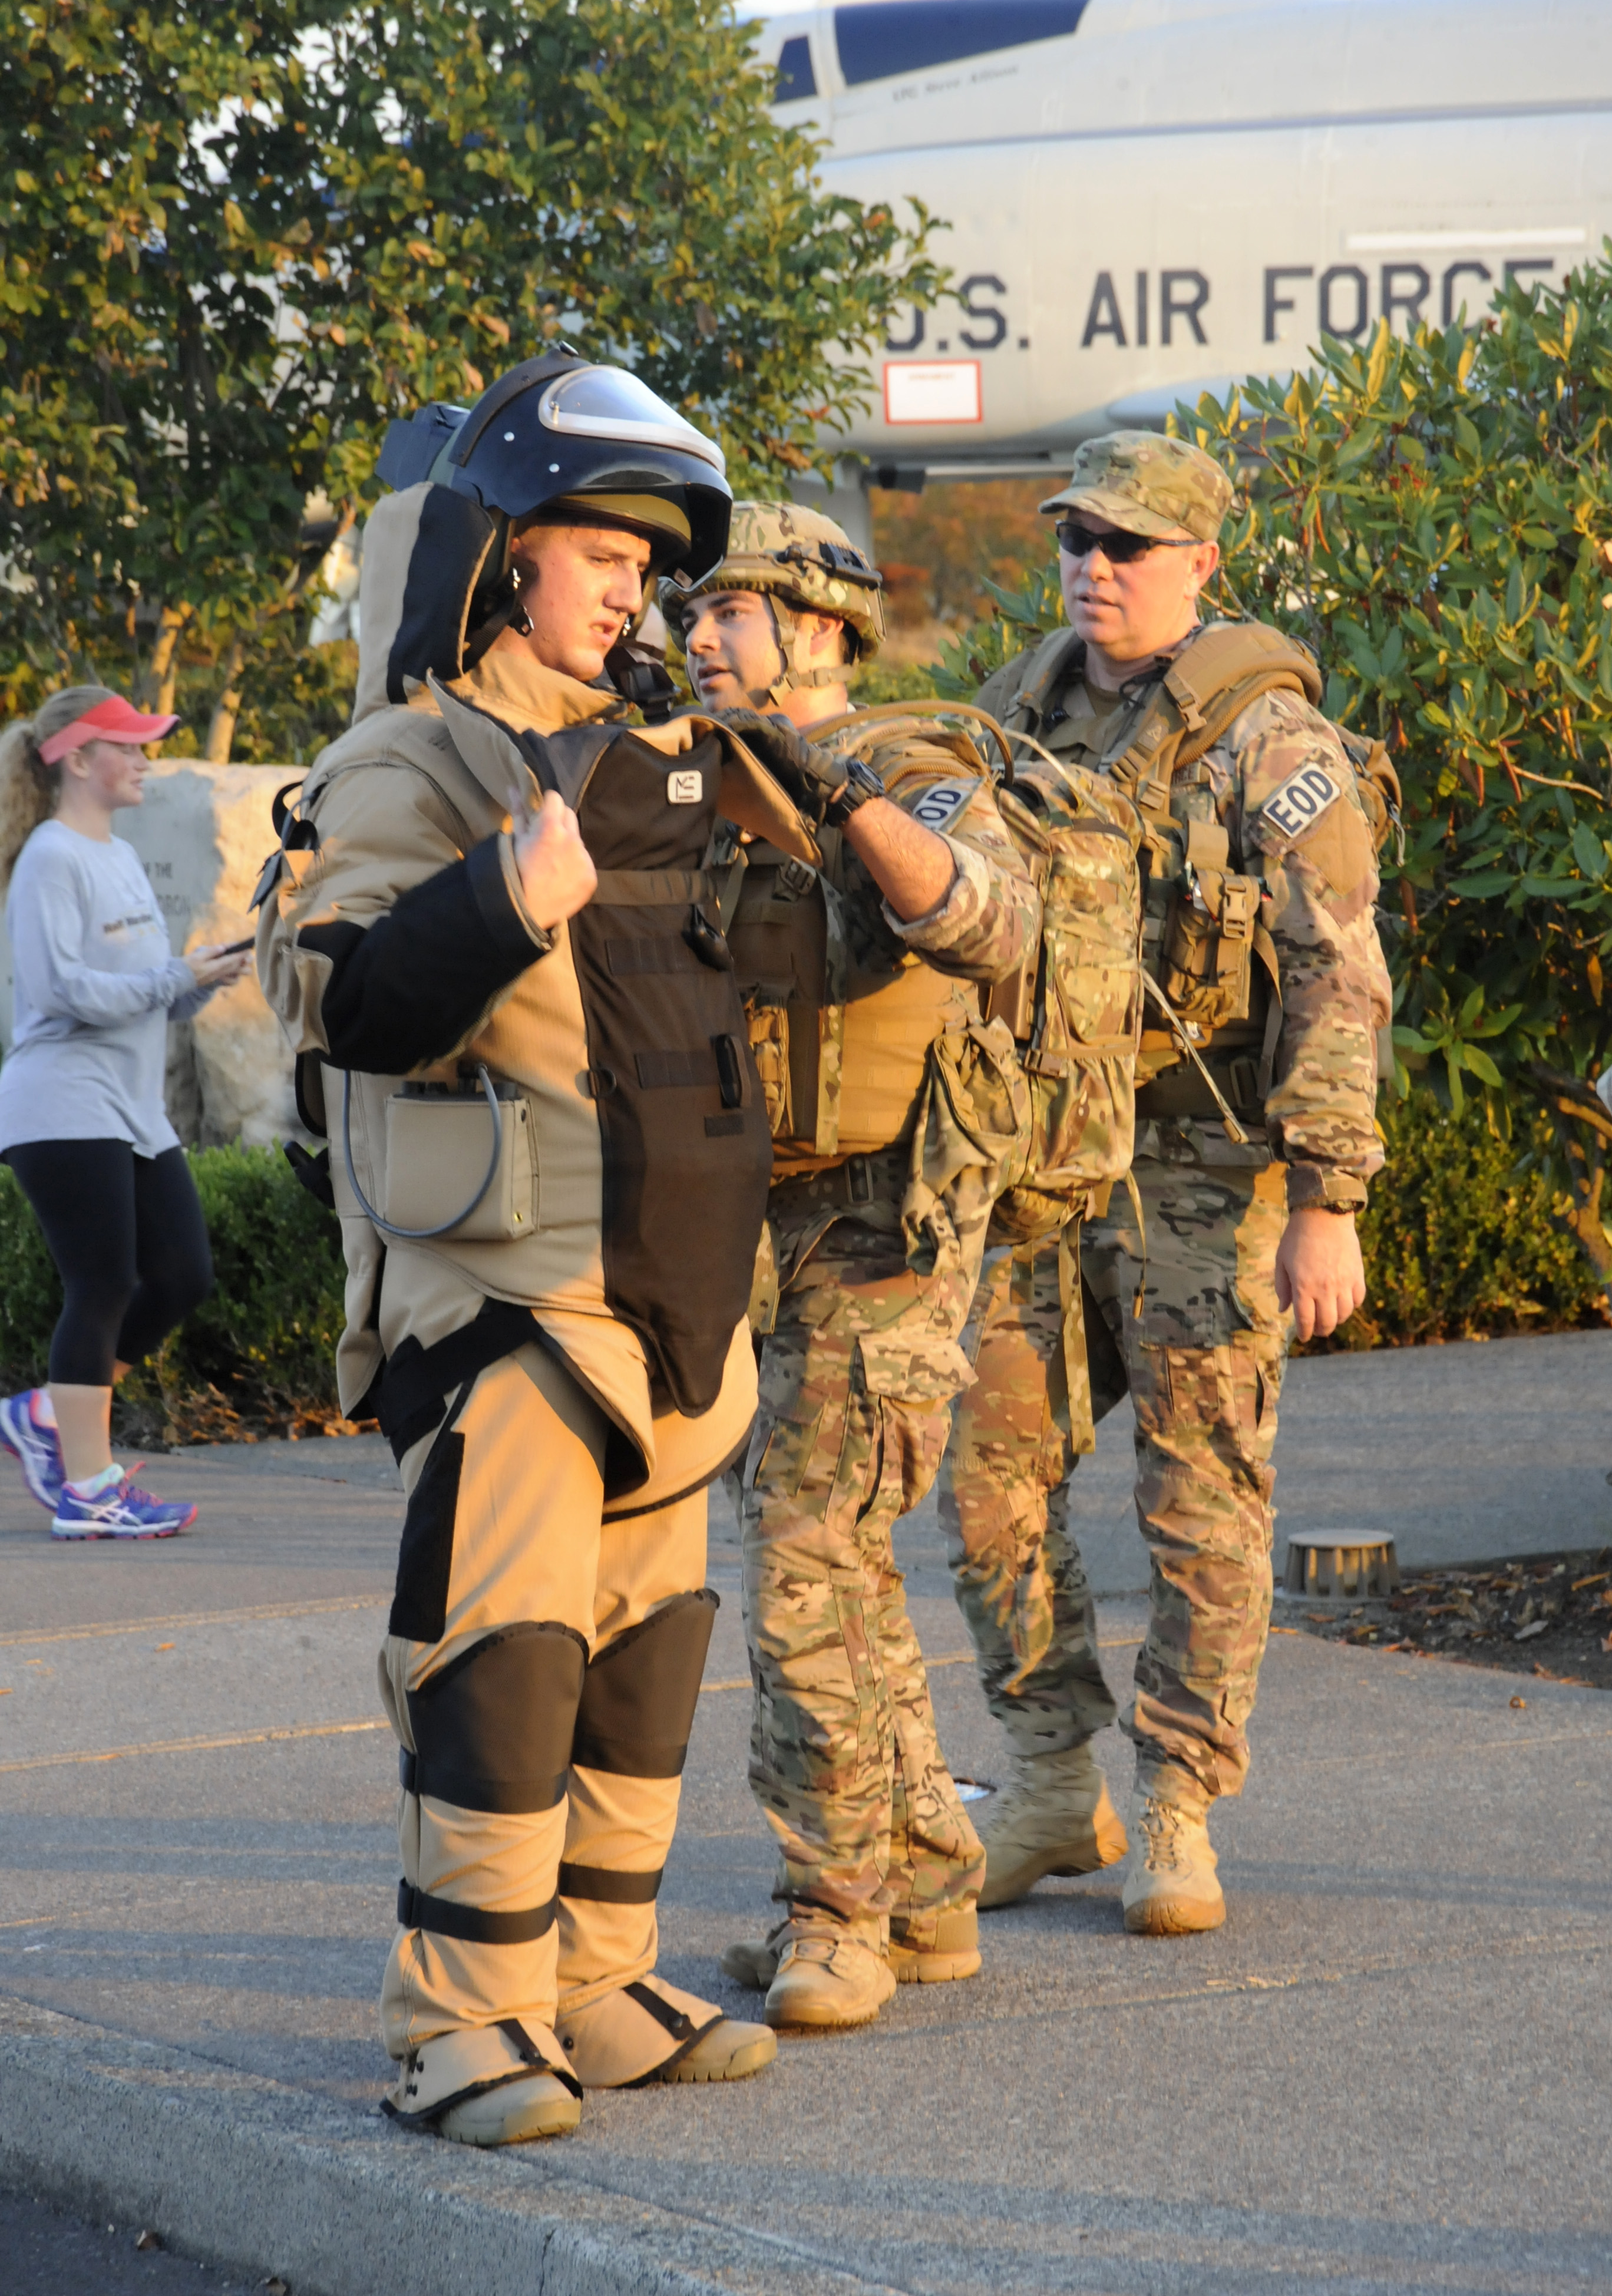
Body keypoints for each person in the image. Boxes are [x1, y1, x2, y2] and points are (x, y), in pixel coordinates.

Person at [257, 354, 824, 2147]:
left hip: (676, 1300)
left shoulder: (661, 760)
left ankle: (594, 1982)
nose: (631, 592)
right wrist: (507, 889)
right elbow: (340, 997)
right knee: (497, 1660)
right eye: (600, 553)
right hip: (509, 1298)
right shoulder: (408, 760)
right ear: (502, 557)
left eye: (646, 564)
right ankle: (459, 2023)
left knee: (642, 1661)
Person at [943, 432, 1393, 1935]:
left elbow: (1338, 970)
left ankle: (1180, 1803)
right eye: (1078, 538)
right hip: (1038, 1157)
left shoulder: (1270, 739)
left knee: (1201, 1501)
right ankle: (1049, 1778)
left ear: (1202, 562)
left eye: (1128, 544)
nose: (1095, 566)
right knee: (985, 1470)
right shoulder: (1014, 712)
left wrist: (1326, 1198)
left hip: (1205, 1165)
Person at [662, 501, 1040, 2031]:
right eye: (692, 613)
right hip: (760, 1224)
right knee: (843, 1560)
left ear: (822, 628)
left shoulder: (915, 762)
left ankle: (838, 1913)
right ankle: (928, 1880)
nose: (698, 635)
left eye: (731, 610)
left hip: (892, 1228)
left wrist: (842, 793)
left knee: (802, 1560)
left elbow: (990, 923)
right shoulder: (700, 774)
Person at [0, 686, 249, 1538]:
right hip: (63, 1103)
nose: (145, 760)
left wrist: (200, 979)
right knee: (102, 1283)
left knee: (182, 1275)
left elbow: (144, 995)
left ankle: (47, 1416)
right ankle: (88, 1489)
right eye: (129, 746)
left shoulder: (122, 856)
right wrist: (175, 977)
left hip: (129, 1109)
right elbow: (59, 991)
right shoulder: (50, 856)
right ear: (77, 758)